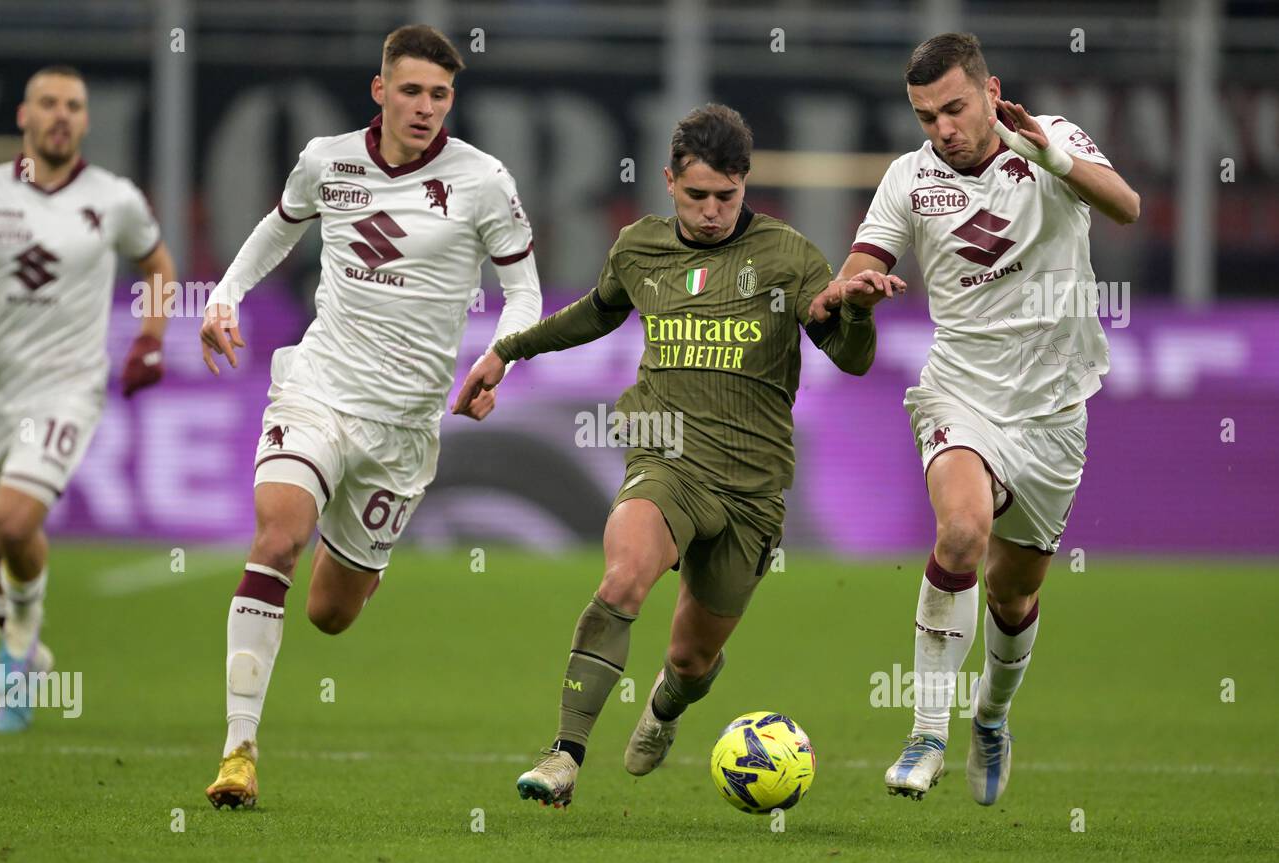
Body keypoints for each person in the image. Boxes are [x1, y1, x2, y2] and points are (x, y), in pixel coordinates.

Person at [454, 103, 905, 808]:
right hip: (665, 459)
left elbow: (850, 359)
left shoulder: (789, 257)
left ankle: (668, 704)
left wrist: (852, 312)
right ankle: (564, 756)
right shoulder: (640, 248)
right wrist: (505, 352)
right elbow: (596, 312)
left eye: (727, 196)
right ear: (668, 182)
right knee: (624, 578)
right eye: (697, 195)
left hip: (752, 489)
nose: (713, 211)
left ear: (745, 185)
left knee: (692, 659)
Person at [200, 24, 541, 808]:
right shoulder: (328, 159)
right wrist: (224, 295)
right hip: (319, 387)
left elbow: (523, 290)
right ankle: (238, 751)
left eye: (441, 94)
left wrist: (501, 356)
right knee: (278, 534)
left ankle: (355, 556)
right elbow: (280, 226)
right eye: (412, 90)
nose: (425, 107)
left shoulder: (483, 180)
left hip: (404, 428)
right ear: (380, 90)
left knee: (330, 615)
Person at [812, 32, 1140, 805]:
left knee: (1014, 596)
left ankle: (990, 717)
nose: (942, 129)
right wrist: (856, 291)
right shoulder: (909, 178)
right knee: (961, 531)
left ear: (991, 94)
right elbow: (858, 268)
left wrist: (1054, 160)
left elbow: (1125, 206)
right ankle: (927, 733)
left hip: (1054, 413)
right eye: (926, 116)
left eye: (954, 108)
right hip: (960, 393)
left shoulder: (1051, 140)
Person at [0, 65, 174, 733]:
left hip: (64, 387)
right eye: (48, 104)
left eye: (74, 106)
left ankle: (20, 644)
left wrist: (150, 337)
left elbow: (157, 263)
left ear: (86, 121)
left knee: (10, 523)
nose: (62, 115)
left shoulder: (113, 199)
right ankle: (24, 646)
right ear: (25, 118)